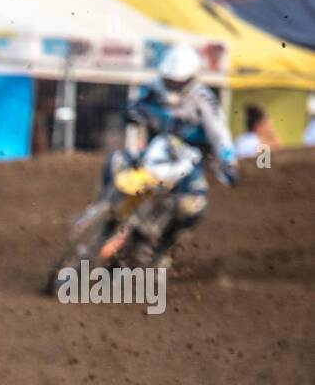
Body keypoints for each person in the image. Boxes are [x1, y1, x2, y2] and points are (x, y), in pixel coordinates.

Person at [102, 43, 238, 266]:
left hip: (190, 159)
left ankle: (165, 246)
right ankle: (105, 210)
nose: (173, 85)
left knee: (193, 204)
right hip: (156, 150)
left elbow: (220, 134)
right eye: (170, 80)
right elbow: (132, 106)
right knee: (116, 161)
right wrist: (131, 113)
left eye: (178, 81)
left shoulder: (204, 100)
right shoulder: (151, 89)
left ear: (191, 78)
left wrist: (229, 162)